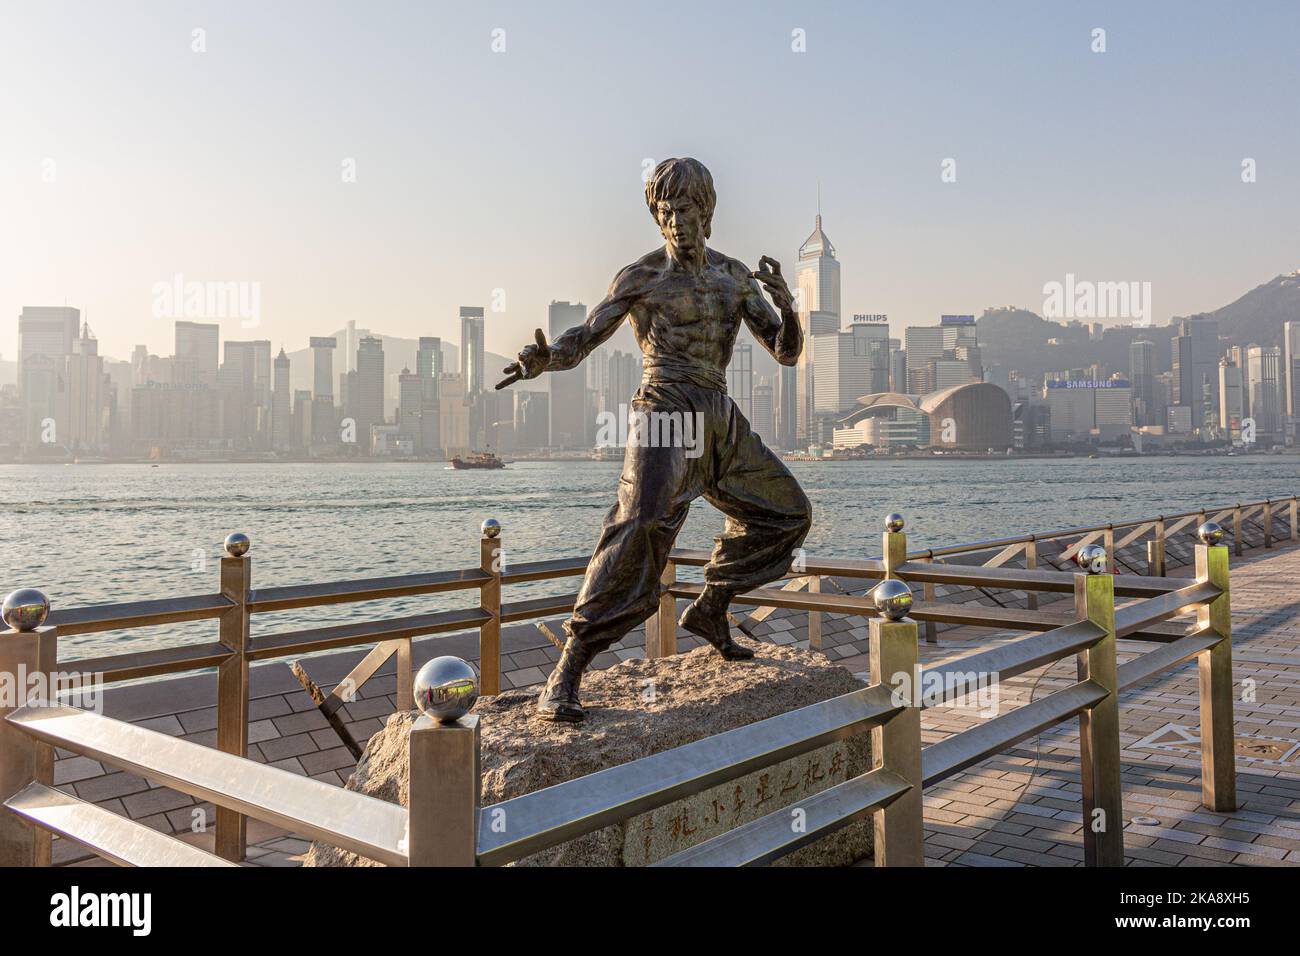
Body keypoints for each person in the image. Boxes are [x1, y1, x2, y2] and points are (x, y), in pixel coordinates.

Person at [498, 157, 811, 722]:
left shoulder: (735, 278)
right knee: (637, 526)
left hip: (719, 415)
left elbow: (786, 353)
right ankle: (569, 666)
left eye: (685, 210)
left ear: (706, 212)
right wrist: (545, 360)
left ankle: (711, 606)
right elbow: (585, 336)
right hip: (664, 411)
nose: (674, 222)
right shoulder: (640, 277)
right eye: (664, 211)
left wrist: (788, 306)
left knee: (787, 513)